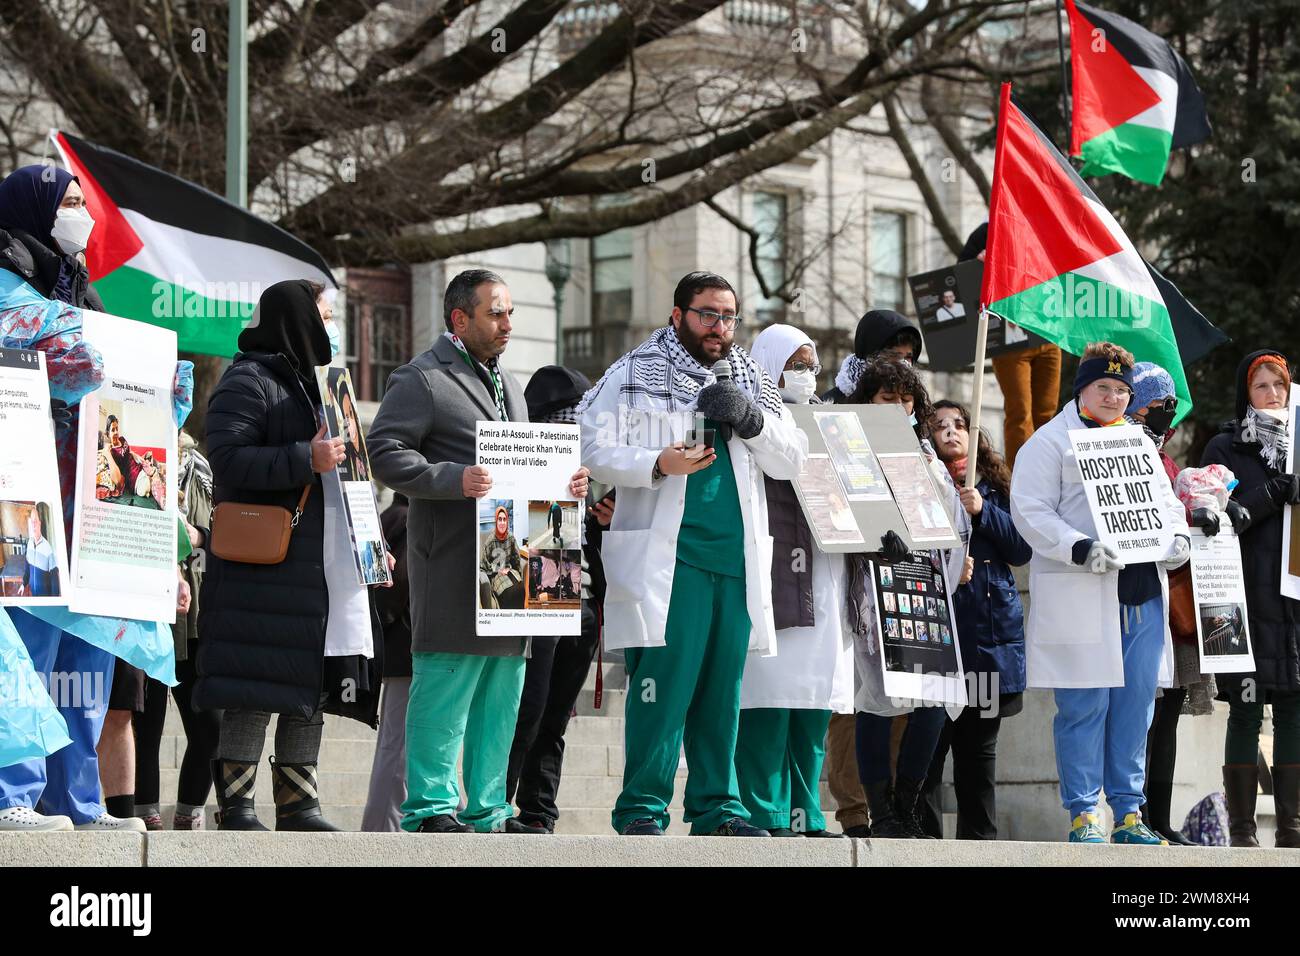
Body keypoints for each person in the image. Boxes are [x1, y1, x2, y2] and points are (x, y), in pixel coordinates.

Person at [0, 163, 192, 834]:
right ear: (30, 210)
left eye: (82, 200)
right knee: (20, 654)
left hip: (90, 516)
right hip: (20, 503)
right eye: (68, 201)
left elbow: (116, 385)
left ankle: (72, 801)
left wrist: (157, 389)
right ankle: (9, 795)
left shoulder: (84, 296)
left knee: (82, 666)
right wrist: (56, 351)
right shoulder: (6, 287)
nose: (79, 212)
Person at [579, 270, 804, 836]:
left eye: (728, 316)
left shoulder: (749, 375)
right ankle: (641, 810)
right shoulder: (634, 371)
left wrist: (752, 421)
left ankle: (716, 808)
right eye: (707, 314)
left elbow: (793, 457)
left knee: (723, 690)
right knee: (663, 686)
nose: (719, 327)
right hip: (670, 560)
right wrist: (657, 463)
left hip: (736, 560)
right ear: (677, 314)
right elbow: (587, 444)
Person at [368, 269, 589, 834]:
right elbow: (384, 452)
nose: (508, 324)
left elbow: (525, 461)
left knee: (502, 696)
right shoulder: (420, 378)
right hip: (453, 567)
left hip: (518, 561)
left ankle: (488, 808)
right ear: (460, 319)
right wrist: (450, 477)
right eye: (497, 313)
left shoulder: (508, 383)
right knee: (445, 692)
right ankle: (429, 808)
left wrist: (567, 481)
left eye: (511, 312)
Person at [194, 279, 382, 832]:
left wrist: (374, 547)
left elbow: (351, 480)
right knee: (253, 686)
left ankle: (300, 802)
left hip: (319, 569)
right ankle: (236, 804)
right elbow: (225, 459)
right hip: (265, 569)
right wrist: (306, 456)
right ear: (297, 318)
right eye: (325, 314)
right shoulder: (249, 379)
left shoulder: (320, 386)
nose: (332, 326)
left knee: (310, 685)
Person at [1011, 341, 1190, 845]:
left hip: (1139, 592)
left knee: (1137, 707)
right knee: (1084, 705)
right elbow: (1029, 510)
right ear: (1082, 388)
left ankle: (1130, 812)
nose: (1113, 398)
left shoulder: (1137, 444)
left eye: (1120, 390)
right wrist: (1078, 547)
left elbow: (1166, 503)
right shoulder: (1049, 442)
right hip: (1083, 589)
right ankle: (1085, 811)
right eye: (1103, 387)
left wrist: (1176, 536)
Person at [734, 323, 853, 837]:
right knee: (766, 703)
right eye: (797, 365)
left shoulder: (832, 424)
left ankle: (807, 812)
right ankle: (765, 812)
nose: (807, 375)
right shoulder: (747, 422)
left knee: (811, 707)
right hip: (768, 578)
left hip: (823, 577)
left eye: (813, 366)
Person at [845, 357, 971, 838]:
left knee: (935, 699)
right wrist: (877, 535)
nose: (897, 407)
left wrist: (959, 551)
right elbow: (838, 509)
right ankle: (882, 812)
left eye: (905, 399)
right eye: (886, 398)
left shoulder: (926, 456)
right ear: (867, 402)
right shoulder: (852, 449)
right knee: (878, 701)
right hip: (876, 593)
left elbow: (948, 522)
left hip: (926, 589)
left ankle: (907, 802)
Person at [1201, 349, 1300, 848]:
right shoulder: (1225, 446)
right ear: (1246, 393)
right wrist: (1275, 492)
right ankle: (1241, 832)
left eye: (1279, 385)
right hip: (1239, 598)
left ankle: (1293, 830)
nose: (1272, 395)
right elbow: (1215, 515)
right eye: (1261, 386)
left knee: (1293, 710)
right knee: (1245, 710)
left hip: (1293, 603)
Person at [1121, 363, 1223, 846]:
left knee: (1168, 712)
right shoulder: (1122, 449)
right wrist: (1187, 514)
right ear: (1140, 404)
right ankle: (1131, 813)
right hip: (1138, 598)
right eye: (1163, 406)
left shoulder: (1168, 460)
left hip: (1175, 601)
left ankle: (1158, 816)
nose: (1171, 418)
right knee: (1142, 711)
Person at [920, 400, 1030, 839]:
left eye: (959, 425)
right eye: (939, 425)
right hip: (933, 643)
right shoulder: (918, 483)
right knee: (926, 753)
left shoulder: (996, 490)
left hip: (984, 648)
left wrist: (983, 510)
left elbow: (1021, 550)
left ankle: (979, 847)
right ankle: (923, 842)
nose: (950, 431)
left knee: (977, 758)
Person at [504, 365, 606, 834]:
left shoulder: (596, 473)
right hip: (542, 595)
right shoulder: (525, 470)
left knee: (557, 716)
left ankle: (539, 811)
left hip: (586, 608)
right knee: (530, 707)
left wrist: (604, 520)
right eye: (567, 424)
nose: (574, 435)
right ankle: (499, 804)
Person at [132, 430, 220, 830]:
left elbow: (224, 537)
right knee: (144, 730)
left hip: (196, 619)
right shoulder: (138, 459)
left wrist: (198, 536)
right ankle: (144, 816)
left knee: (209, 729)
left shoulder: (203, 470)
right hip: (146, 613)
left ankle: (188, 816)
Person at [960, 223, 1061, 468]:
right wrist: (978, 264)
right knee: (1020, 414)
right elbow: (962, 278)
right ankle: (1020, 477)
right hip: (1011, 340)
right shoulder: (987, 232)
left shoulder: (1047, 228)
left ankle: (1049, 473)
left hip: (1048, 334)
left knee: (1047, 414)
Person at [361, 493, 413, 832]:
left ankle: (384, 827)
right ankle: (380, 832)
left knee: (398, 747)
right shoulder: (410, 518)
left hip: (397, 646)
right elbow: (398, 583)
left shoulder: (390, 515)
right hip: (408, 644)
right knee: (400, 751)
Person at [822, 309, 923, 404]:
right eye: (894, 356)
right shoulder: (828, 409)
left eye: (908, 358)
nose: (903, 365)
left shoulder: (916, 408)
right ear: (870, 358)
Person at [479, 505, 526, 610]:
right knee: (509, 593)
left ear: (507, 521)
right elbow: (483, 566)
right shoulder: (490, 541)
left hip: (509, 570)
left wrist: (519, 575)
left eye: (504, 519)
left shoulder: (511, 538)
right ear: (496, 521)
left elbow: (517, 559)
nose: (502, 522)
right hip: (495, 575)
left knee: (520, 588)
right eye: (499, 519)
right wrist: (497, 570)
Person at [24, 504, 58, 597]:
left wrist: (54, 602)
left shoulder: (47, 548)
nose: (33, 524)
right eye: (31, 521)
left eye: (35, 521)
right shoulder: (29, 543)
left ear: (40, 523)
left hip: (45, 595)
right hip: (33, 593)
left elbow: (54, 579)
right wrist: (24, 583)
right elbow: (27, 567)